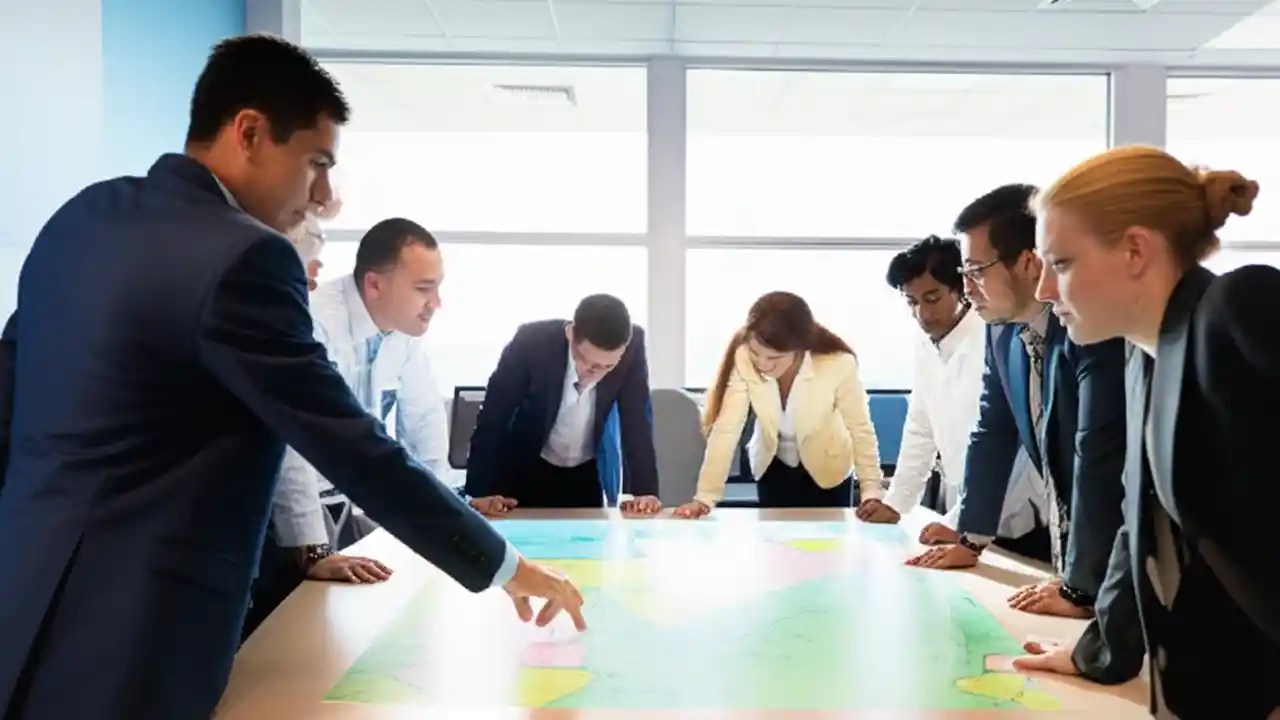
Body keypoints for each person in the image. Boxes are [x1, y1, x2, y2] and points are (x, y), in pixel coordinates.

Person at [0, 35, 582, 720]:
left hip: (24, 594)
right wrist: (507, 568)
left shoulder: (83, 218)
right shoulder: (246, 258)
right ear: (248, 132)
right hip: (137, 636)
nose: (324, 196)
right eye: (316, 164)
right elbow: (352, 446)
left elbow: (11, 401)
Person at [1009, 145, 1280, 718]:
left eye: (1060, 265)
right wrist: (1100, 650)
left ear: (1135, 250)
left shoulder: (1239, 307)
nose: (1043, 293)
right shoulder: (1144, 354)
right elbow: (1143, 523)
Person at [905, 184, 1126, 621]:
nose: (967, 291)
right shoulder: (1001, 330)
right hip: (1068, 536)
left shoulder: (1087, 326)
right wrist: (970, 537)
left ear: (1028, 262)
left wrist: (1081, 588)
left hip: (1123, 544)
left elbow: (1098, 460)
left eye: (976, 272)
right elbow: (994, 428)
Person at [859, 236, 1048, 562]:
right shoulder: (925, 343)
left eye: (932, 298)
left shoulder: (992, 337)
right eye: (912, 302)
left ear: (960, 288)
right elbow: (921, 424)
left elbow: (1009, 447)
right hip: (968, 509)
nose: (923, 313)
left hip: (1019, 518)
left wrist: (966, 524)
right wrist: (897, 501)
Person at [674, 291, 883, 517]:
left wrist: (871, 491)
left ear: (800, 349)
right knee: (774, 546)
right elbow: (727, 428)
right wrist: (705, 498)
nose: (762, 364)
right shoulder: (744, 357)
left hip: (828, 468)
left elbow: (860, 429)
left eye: (774, 358)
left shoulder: (838, 364)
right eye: (756, 353)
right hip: (773, 465)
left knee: (827, 546)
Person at [464, 294, 661, 515]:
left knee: (587, 542)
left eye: (606, 366)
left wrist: (645, 491)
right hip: (526, 464)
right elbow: (494, 417)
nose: (592, 374)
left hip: (585, 468)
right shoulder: (531, 343)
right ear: (570, 334)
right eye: (586, 362)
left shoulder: (633, 348)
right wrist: (478, 493)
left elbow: (637, 422)